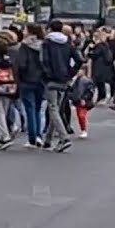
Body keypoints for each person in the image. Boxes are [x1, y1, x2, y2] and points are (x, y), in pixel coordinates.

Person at [39, 19, 80, 152]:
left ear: (49, 29)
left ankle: (64, 138)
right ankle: (48, 140)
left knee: (53, 108)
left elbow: (43, 60)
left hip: (51, 79)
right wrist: (70, 73)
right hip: (64, 79)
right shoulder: (67, 42)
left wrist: (46, 74)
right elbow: (79, 59)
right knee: (55, 108)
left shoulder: (46, 43)